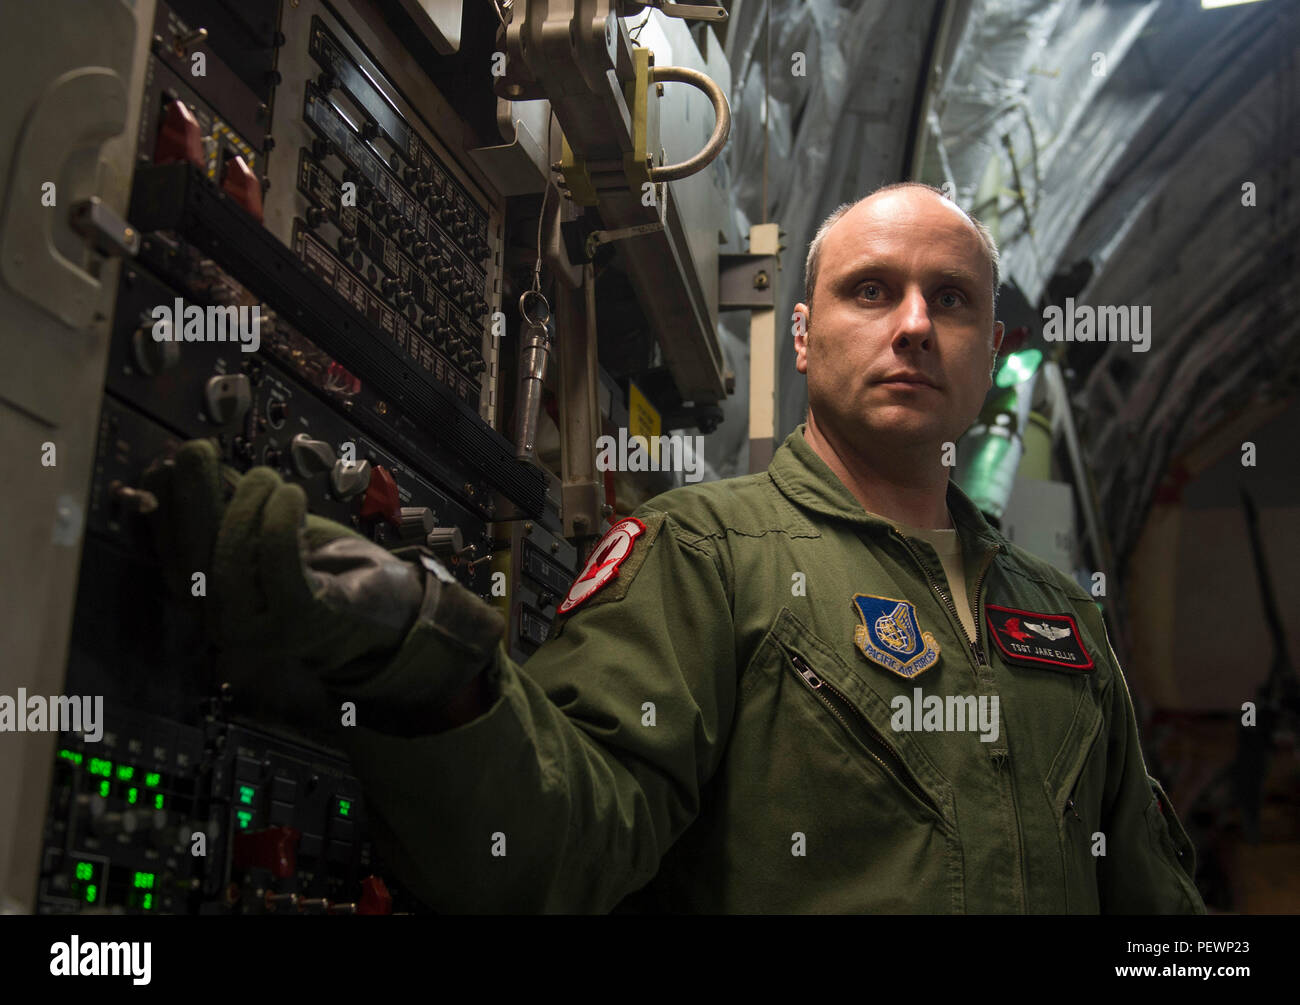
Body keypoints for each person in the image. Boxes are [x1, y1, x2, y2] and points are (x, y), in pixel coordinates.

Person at [146, 182, 1205, 913]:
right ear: (801, 337)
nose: (915, 324)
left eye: (954, 300)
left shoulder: (1065, 622)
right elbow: (560, 850)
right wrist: (429, 666)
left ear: (991, 353)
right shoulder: (707, 556)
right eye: (872, 290)